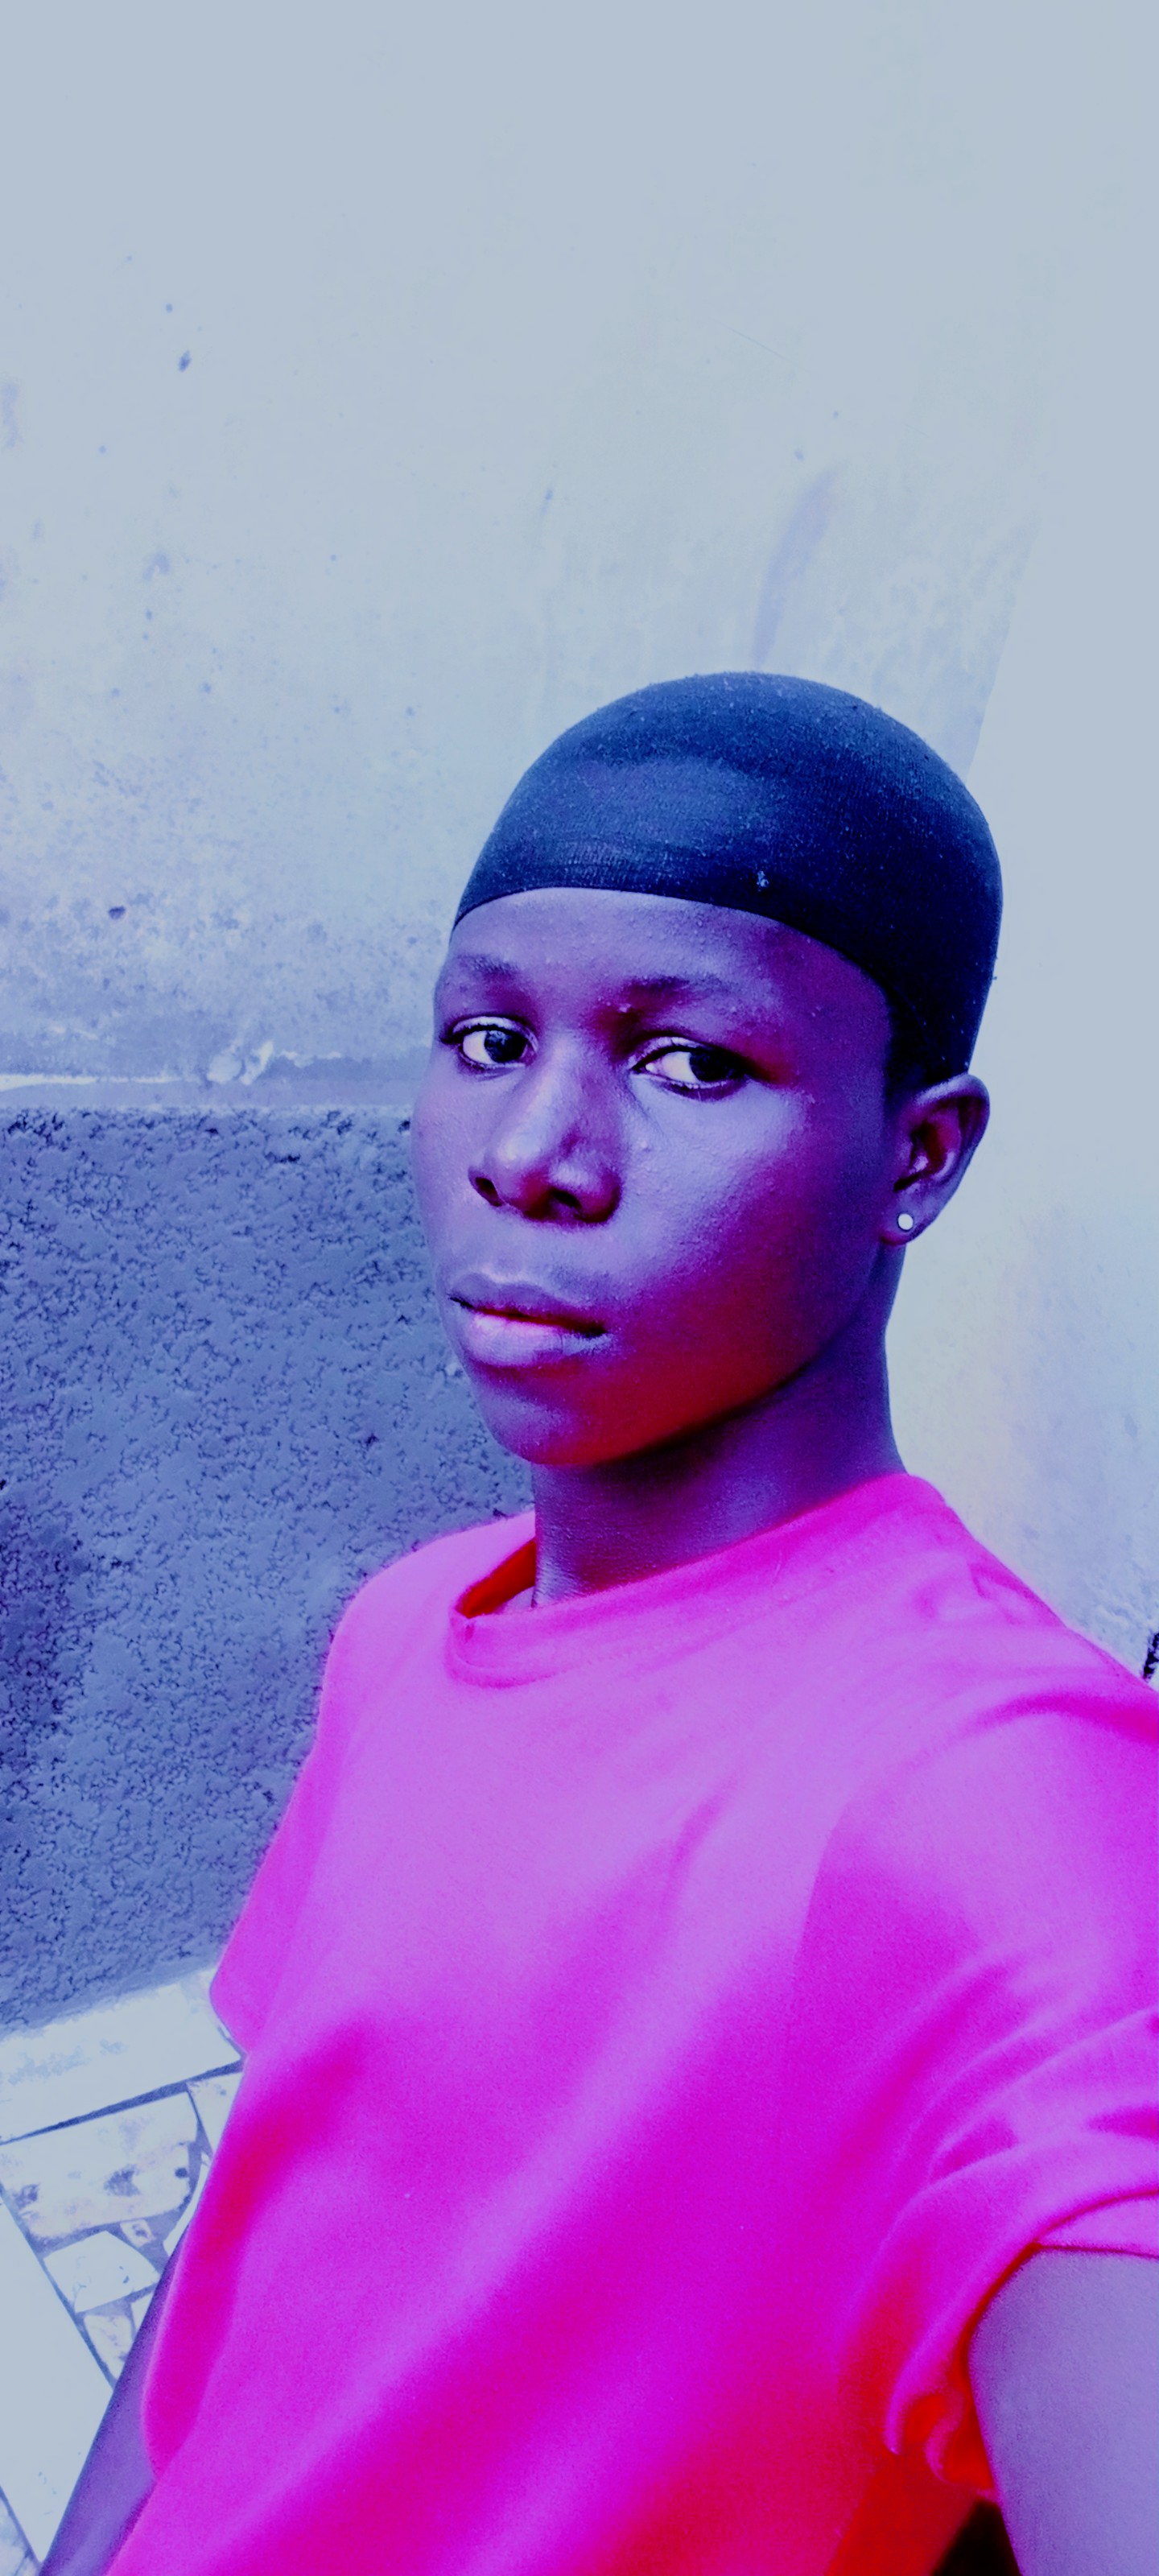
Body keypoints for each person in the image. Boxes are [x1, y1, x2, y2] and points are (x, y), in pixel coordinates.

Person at [47, 675, 1156, 2576]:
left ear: (917, 1155)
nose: (534, 1152)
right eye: (488, 1038)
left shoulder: (984, 1795)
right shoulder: (409, 1628)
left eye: (690, 1064)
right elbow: (262, 2219)